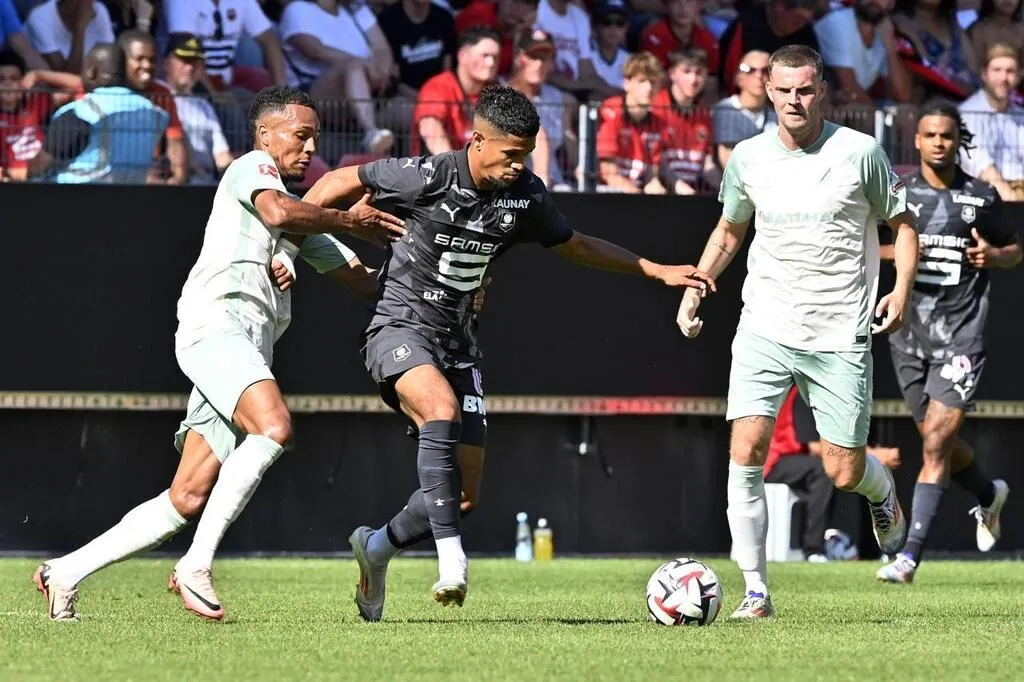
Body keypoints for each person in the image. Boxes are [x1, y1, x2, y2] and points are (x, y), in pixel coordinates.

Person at [300, 82, 716, 621]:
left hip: (458, 345)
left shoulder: (525, 195)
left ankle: (375, 549)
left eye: (527, 154)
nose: (519, 165)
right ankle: (453, 563)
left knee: (462, 497)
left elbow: (577, 244)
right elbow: (337, 180)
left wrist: (656, 270)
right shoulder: (425, 175)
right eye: (509, 154)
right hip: (399, 326)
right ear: (477, 141)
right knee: (440, 411)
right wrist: (292, 238)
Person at [31, 85, 405, 621]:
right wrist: (350, 219)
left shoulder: (302, 226)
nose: (307, 148)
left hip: (247, 347)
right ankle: (196, 565)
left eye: (313, 140)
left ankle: (64, 572)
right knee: (274, 428)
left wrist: (428, 265)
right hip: (216, 326)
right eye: (299, 136)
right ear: (264, 134)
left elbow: (365, 283)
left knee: (185, 497)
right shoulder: (251, 168)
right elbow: (276, 211)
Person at [677, 45, 918, 619]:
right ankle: (755, 590)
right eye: (783, 89)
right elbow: (729, 231)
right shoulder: (748, 157)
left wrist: (901, 289)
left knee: (842, 469)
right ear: (766, 88)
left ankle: (880, 490)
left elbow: (904, 225)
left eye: (804, 89)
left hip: (839, 331)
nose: (793, 100)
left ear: (821, 92)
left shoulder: (861, 153)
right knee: (747, 451)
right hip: (764, 323)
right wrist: (696, 283)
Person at [876, 100, 1016, 584]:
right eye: (930, 135)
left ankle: (909, 557)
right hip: (908, 336)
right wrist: (904, 250)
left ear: (959, 142)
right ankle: (987, 494)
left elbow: (1016, 248)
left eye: (947, 136)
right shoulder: (897, 194)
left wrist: (995, 255)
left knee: (936, 441)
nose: (939, 142)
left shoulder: (981, 196)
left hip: (962, 335)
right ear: (916, 140)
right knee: (937, 440)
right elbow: (869, 242)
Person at [767, 387, 902, 561]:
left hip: (798, 459)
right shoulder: (803, 391)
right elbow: (814, 446)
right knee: (824, 469)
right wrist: (874, 454)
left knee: (859, 467)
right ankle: (813, 550)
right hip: (774, 463)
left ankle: (874, 550)